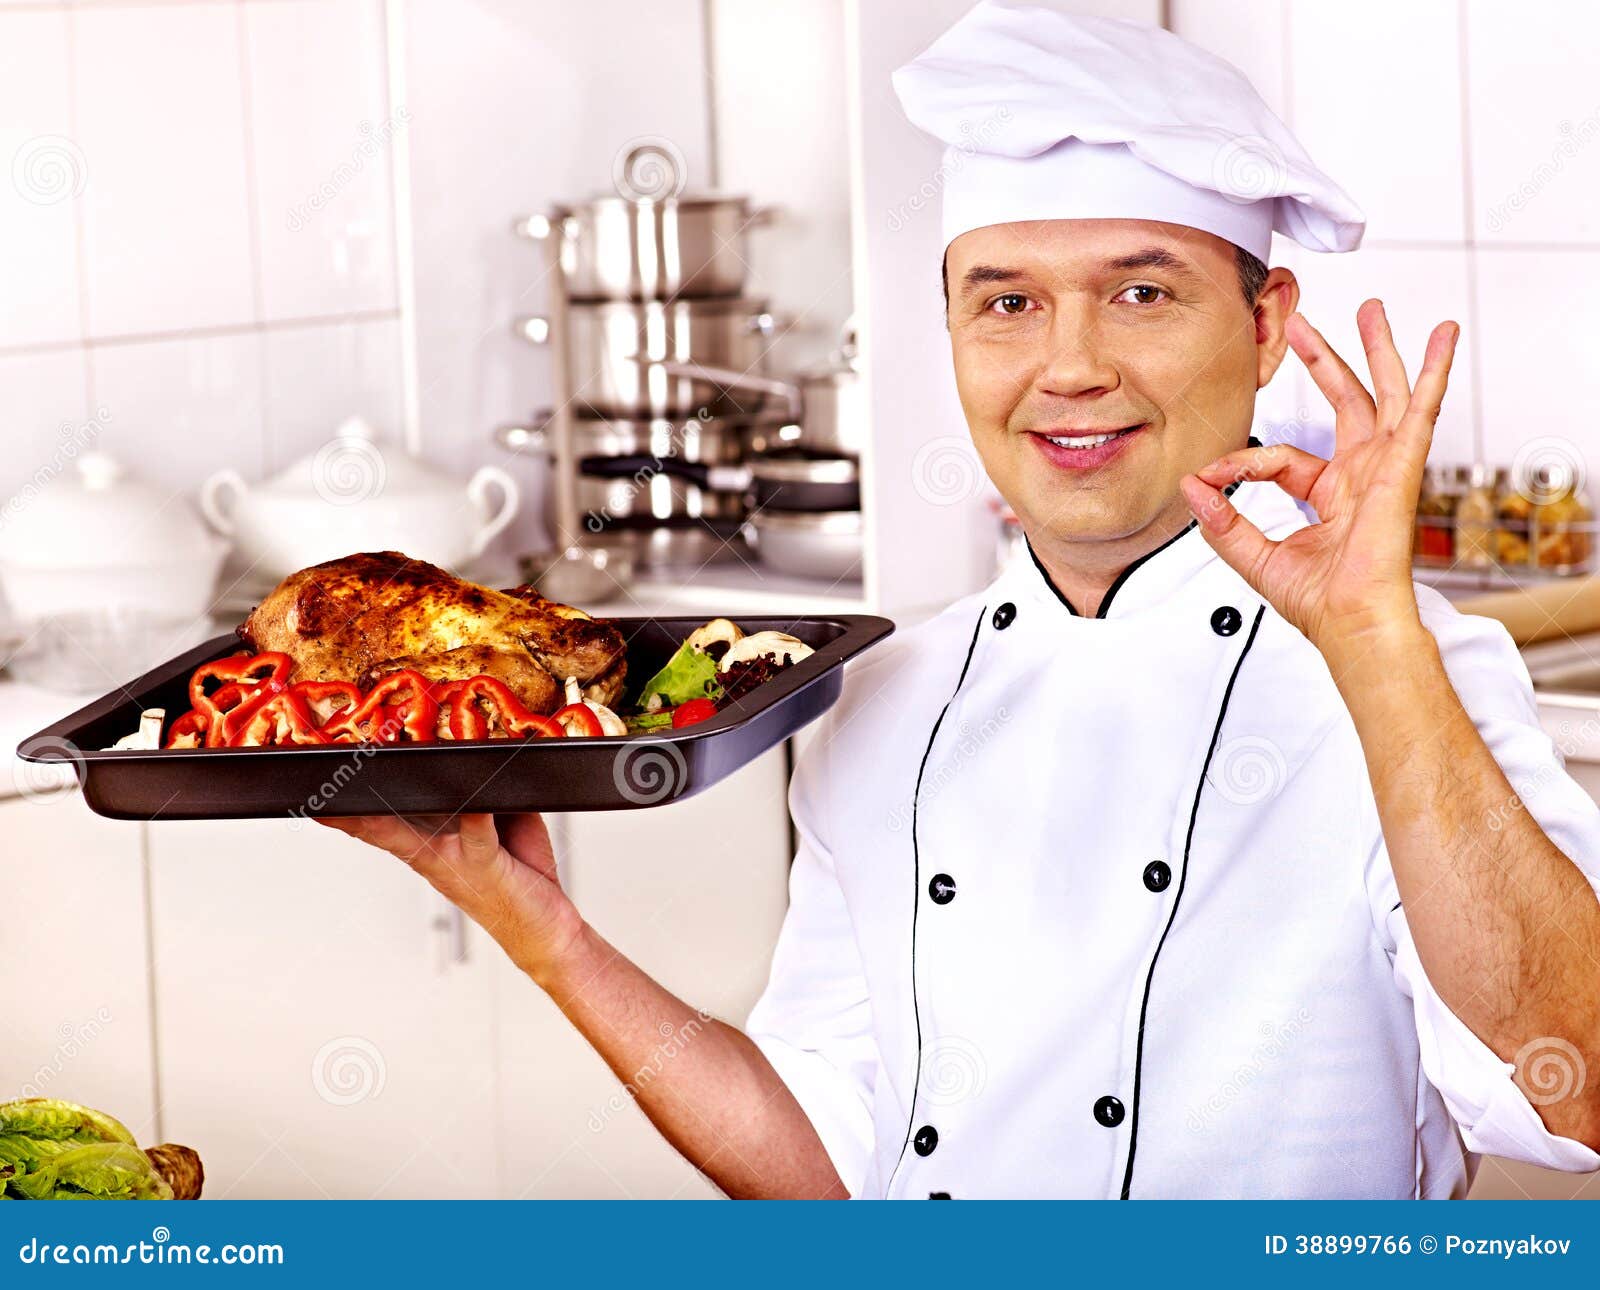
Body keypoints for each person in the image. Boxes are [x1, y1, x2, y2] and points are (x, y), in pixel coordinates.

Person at [319, 4, 1600, 1198]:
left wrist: (1375, 646)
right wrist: (538, 927)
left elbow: (1576, 1095)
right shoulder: (883, 696)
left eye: (1141, 293)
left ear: (1266, 326)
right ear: (949, 328)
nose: (1070, 367)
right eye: (1007, 303)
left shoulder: (1412, 676)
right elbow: (828, 1162)